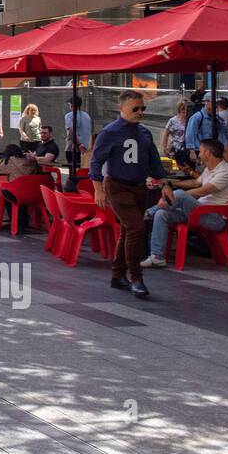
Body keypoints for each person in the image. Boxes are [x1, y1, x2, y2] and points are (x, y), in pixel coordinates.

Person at [91, 89, 167, 299]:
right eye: (136, 108)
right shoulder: (110, 132)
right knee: (136, 228)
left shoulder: (144, 132)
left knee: (128, 230)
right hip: (117, 185)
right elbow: (96, 161)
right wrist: (98, 189)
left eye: (143, 108)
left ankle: (117, 274)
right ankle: (136, 277)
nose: (140, 112)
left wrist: (165, 183)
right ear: (122, 108)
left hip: (139, 186)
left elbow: (154, 161)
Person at [142, 138, 228, 269]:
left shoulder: (226, 171)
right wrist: (172, 184)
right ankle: (157, 257)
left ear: (208, 153)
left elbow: (202, 191)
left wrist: (173, 195)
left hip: (215, 219)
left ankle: (148, 213)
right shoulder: (210, 169)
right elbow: (195, 183)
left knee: (180, 195)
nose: (198, 154)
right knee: (162, 214)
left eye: (200, 151)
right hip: (199, 213)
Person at [185, 97, 223, 162]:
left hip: (212, 151)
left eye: (217, 103)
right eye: (214, 103)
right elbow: (190, 134)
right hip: (201, 151)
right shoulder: (197, 117)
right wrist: (192, 151)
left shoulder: (216, 118)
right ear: (207, 102)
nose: (216, 105)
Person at [64, 96, 94, 171]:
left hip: (73, 148)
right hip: (87, 148)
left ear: (71, 105)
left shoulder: (69, 116)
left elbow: (71, 131)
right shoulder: (87, 115)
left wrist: (79, 144)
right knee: (83, 170)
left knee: (73, 171)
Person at [161, 99, 190, 167]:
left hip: (188, 149)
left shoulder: (191, 119)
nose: (185, 111)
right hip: (177, 149)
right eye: (183, 109)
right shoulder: (173, 121)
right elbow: (165, 135)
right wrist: (165, 148)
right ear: (180, 109)